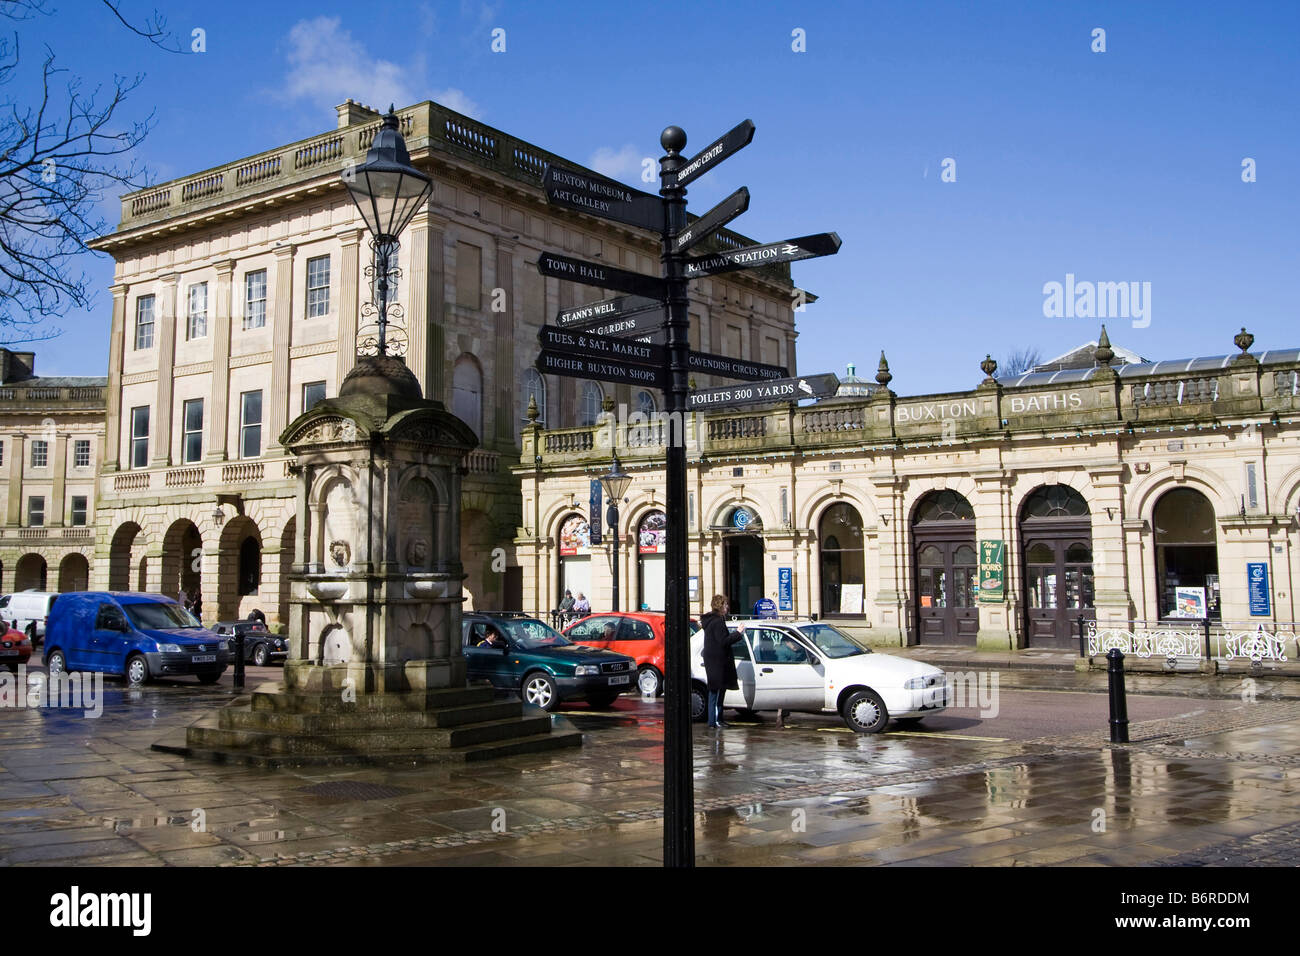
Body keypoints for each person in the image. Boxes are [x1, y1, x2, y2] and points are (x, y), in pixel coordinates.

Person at [700, 594, 743, 729]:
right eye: (725, 605)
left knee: (718, 691)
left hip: (715, 661)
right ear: (720, 606)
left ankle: (718, 719)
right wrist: (738, 633)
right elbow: (723, 641)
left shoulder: (713, 620)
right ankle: (714, 721)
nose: (727, 607)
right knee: (716, 692)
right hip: (717, 662)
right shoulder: (717, 621)